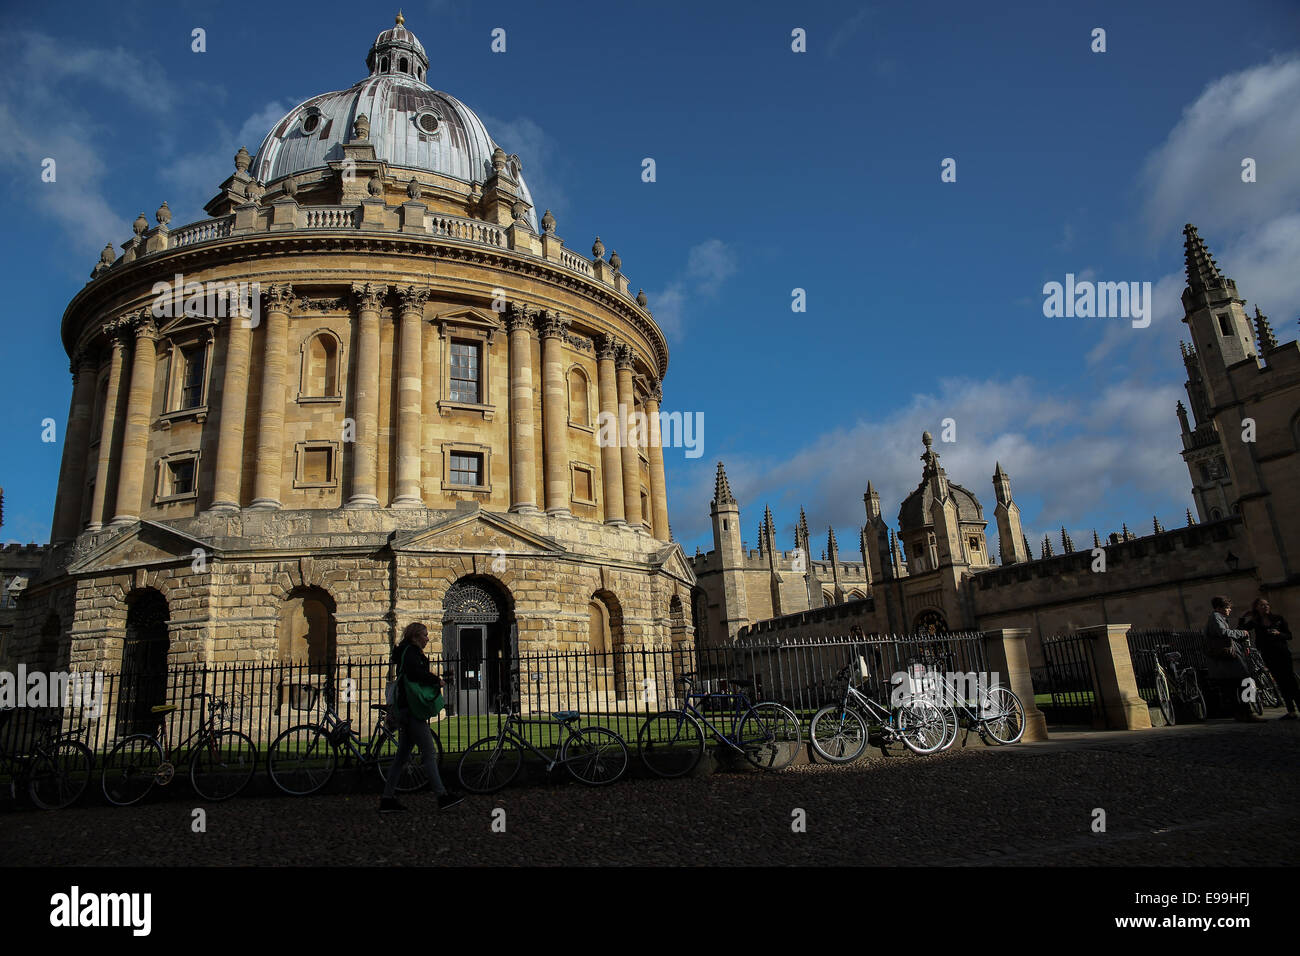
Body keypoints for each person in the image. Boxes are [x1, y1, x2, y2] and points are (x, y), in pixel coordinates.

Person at [381, 622, 464, 813]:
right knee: (429, 752)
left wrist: (440, 677)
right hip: (411, 711)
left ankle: (387, 799)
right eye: (425, 635)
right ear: (415, 636)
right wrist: (436, 680)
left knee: (401, 757)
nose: (428, 638)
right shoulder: (410, 651)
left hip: (405, 709)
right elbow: (415, 673)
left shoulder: (406, 651)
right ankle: (442, 796)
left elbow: (414, 674)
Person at [1204, 596, 1261, 722]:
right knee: (1247, 682)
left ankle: (1241, 713)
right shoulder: (1216, 617)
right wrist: (1241, 633)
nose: (1229, 610)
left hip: (1226, 660)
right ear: (1219, 608)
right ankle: (1247, 713)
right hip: (1227, 659)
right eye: (1227, 608)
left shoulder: (1218, 618)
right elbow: (1223, 632)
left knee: (1233, 687)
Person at [1239, 597, 1298, 719]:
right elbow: (1241, 630)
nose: (1265, 606)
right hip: (1268, 654)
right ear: (1256, 608)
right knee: (1280, 682)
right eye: (1261, 605)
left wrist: (1279, 634)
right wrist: (1242, 617)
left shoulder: (1278, 619)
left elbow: (1289, 635)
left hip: (1282, 653)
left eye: (1266, 604)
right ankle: (1291, 711)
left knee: (1291, 681)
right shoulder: (1255, 621)